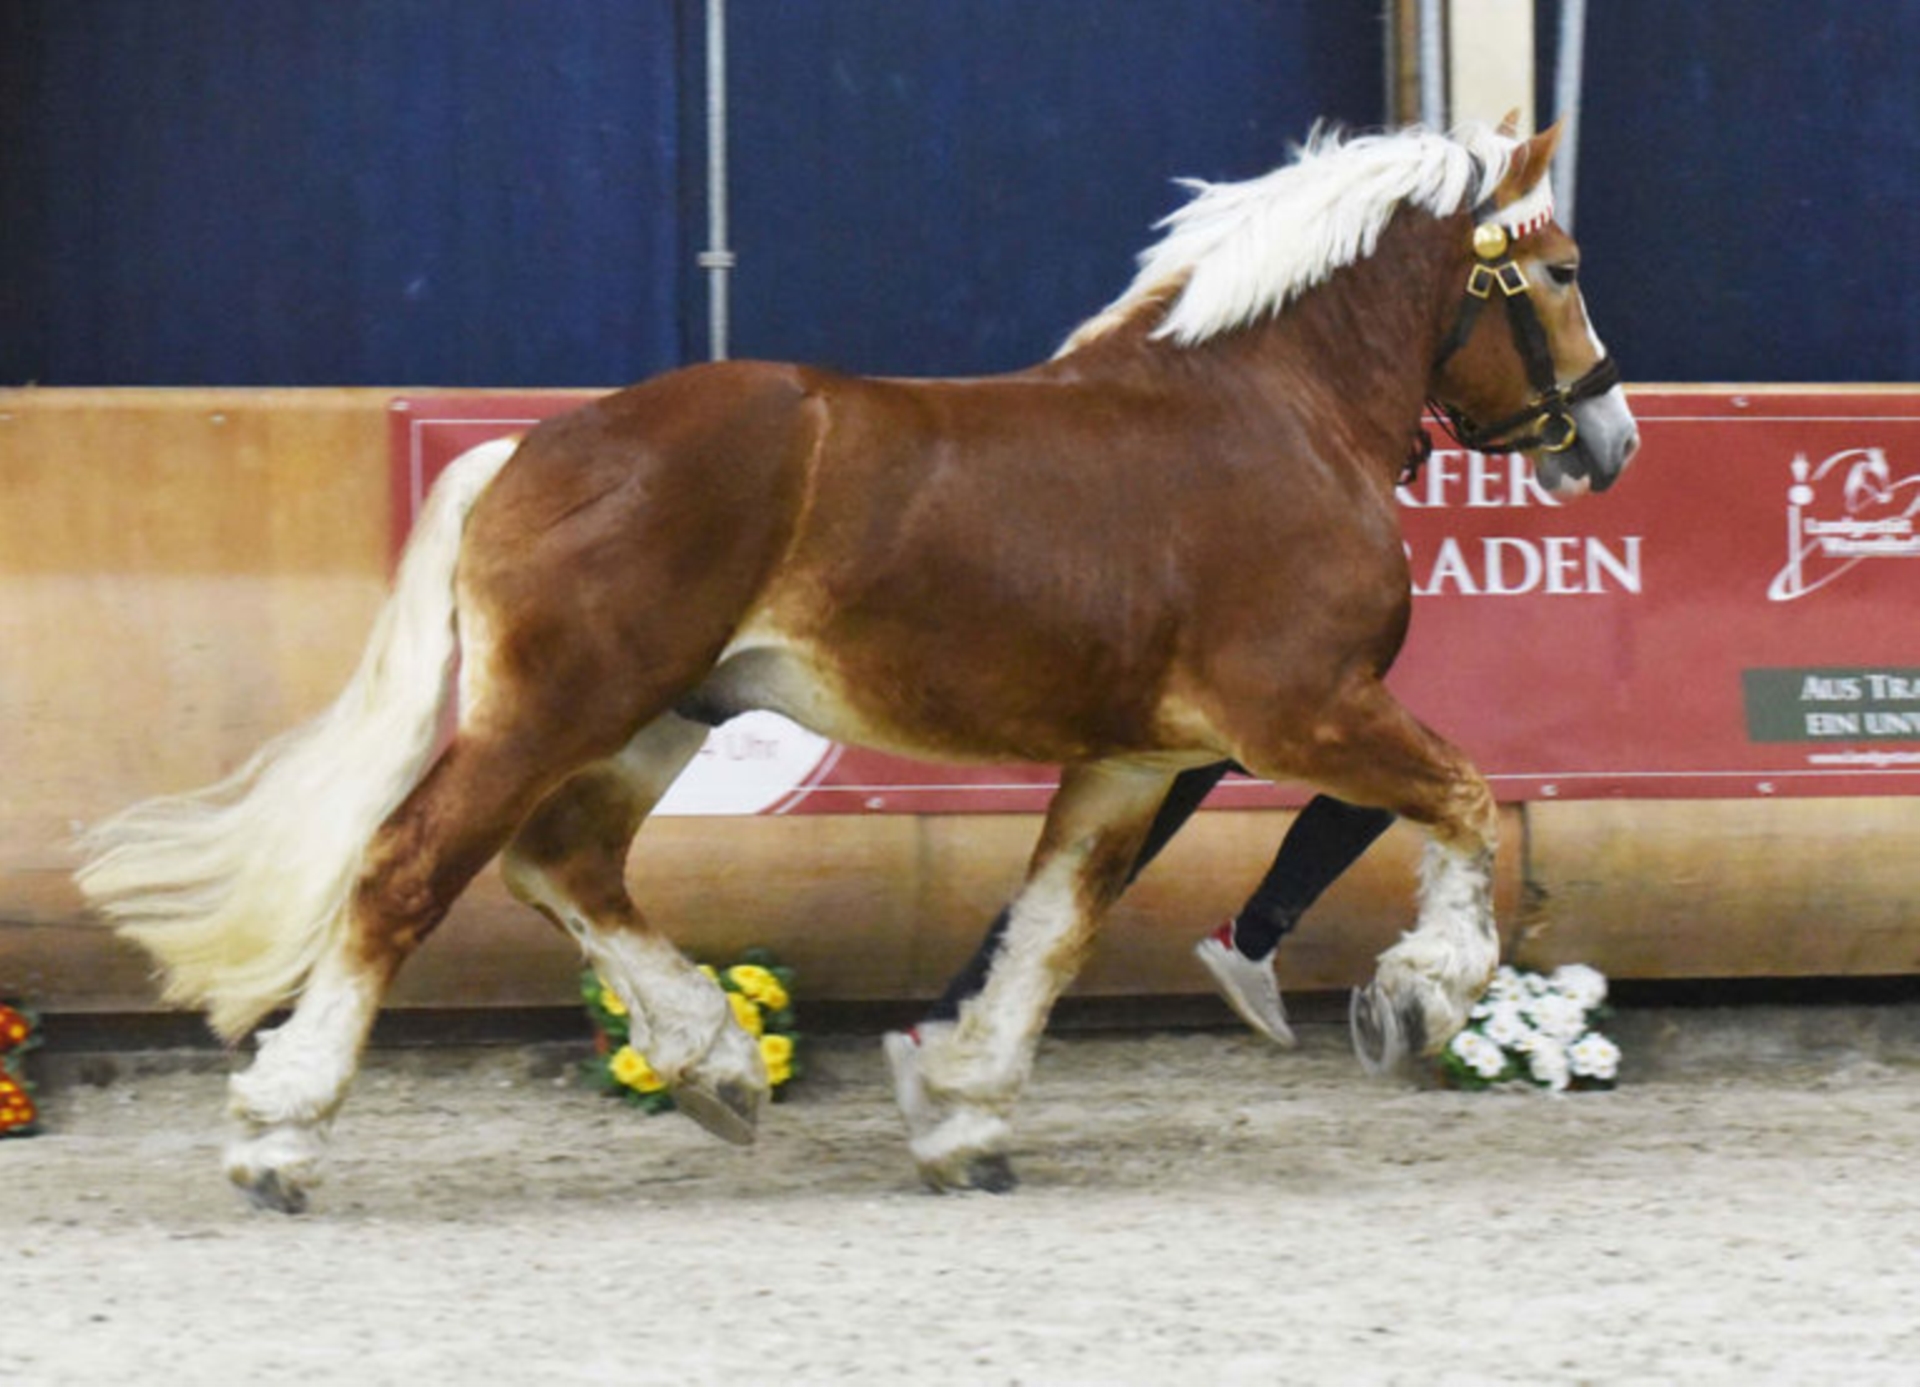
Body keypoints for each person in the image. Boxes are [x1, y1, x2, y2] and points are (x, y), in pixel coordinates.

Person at [921, 765, 1395, 1044]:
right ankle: (1252, 938)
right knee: (1386, 778)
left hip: (1176, 696)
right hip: (1204, 696)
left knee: (1091, 878)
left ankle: (949, 1022)